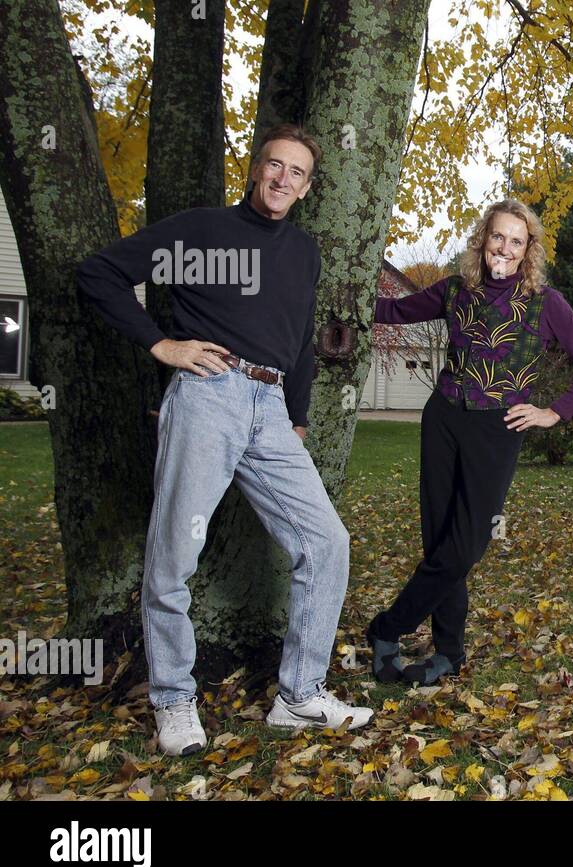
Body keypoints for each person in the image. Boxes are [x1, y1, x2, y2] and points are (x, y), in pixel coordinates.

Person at [76, 124, 372, 756]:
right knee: (175, 553)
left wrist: (294, 415)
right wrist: (163, 345)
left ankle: (299, 696)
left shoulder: (304, 252)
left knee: (326, 540)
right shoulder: (201, 231)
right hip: (209, 394)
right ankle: (174, 700)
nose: (282, 178)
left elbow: (298, 341)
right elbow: (99, 274)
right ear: (255, 168)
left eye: (296, 172)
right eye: (274, 165)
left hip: (271, 407)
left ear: (307, 187)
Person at [367, 199, 573, 684]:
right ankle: (449, 653)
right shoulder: (457, 290)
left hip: (499, 428)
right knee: (439, 539)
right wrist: (332, 294)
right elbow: (392, 311)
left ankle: (387, 628)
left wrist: (552, 412)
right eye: (498, 237)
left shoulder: (546, 302)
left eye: (517, 241)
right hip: (443, 420)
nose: (506, 247)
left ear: (528, 251)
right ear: (484, 240)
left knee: (466, 544)